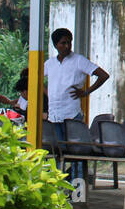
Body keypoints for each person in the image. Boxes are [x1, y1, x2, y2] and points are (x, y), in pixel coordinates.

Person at [44, 28, 109, 184]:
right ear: (55, 45)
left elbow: (103, 75)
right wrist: (48, 92)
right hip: (54, 113)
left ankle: (77, 186)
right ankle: (59, 185)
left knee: (76, 152)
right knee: (58, 152)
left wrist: (86, 92)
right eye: (63, 43)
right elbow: (34, 76)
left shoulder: (79, 60)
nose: (67, 46)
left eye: (69, 42)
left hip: (72, 112)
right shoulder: (50, 63)